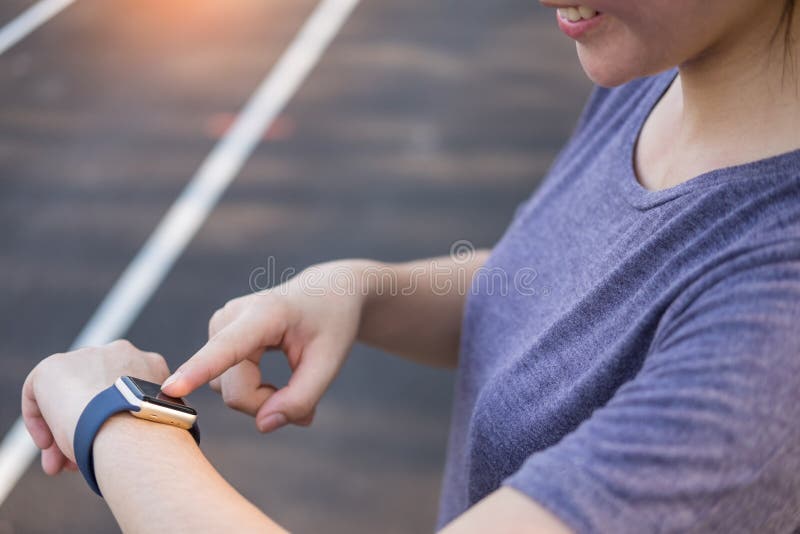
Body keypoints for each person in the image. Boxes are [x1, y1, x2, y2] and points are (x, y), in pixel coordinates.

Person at [22, 0, 800, 531]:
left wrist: (116, 419)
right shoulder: (666, 70)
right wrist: (364, 289)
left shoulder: (776, 330)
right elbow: (582, 290)